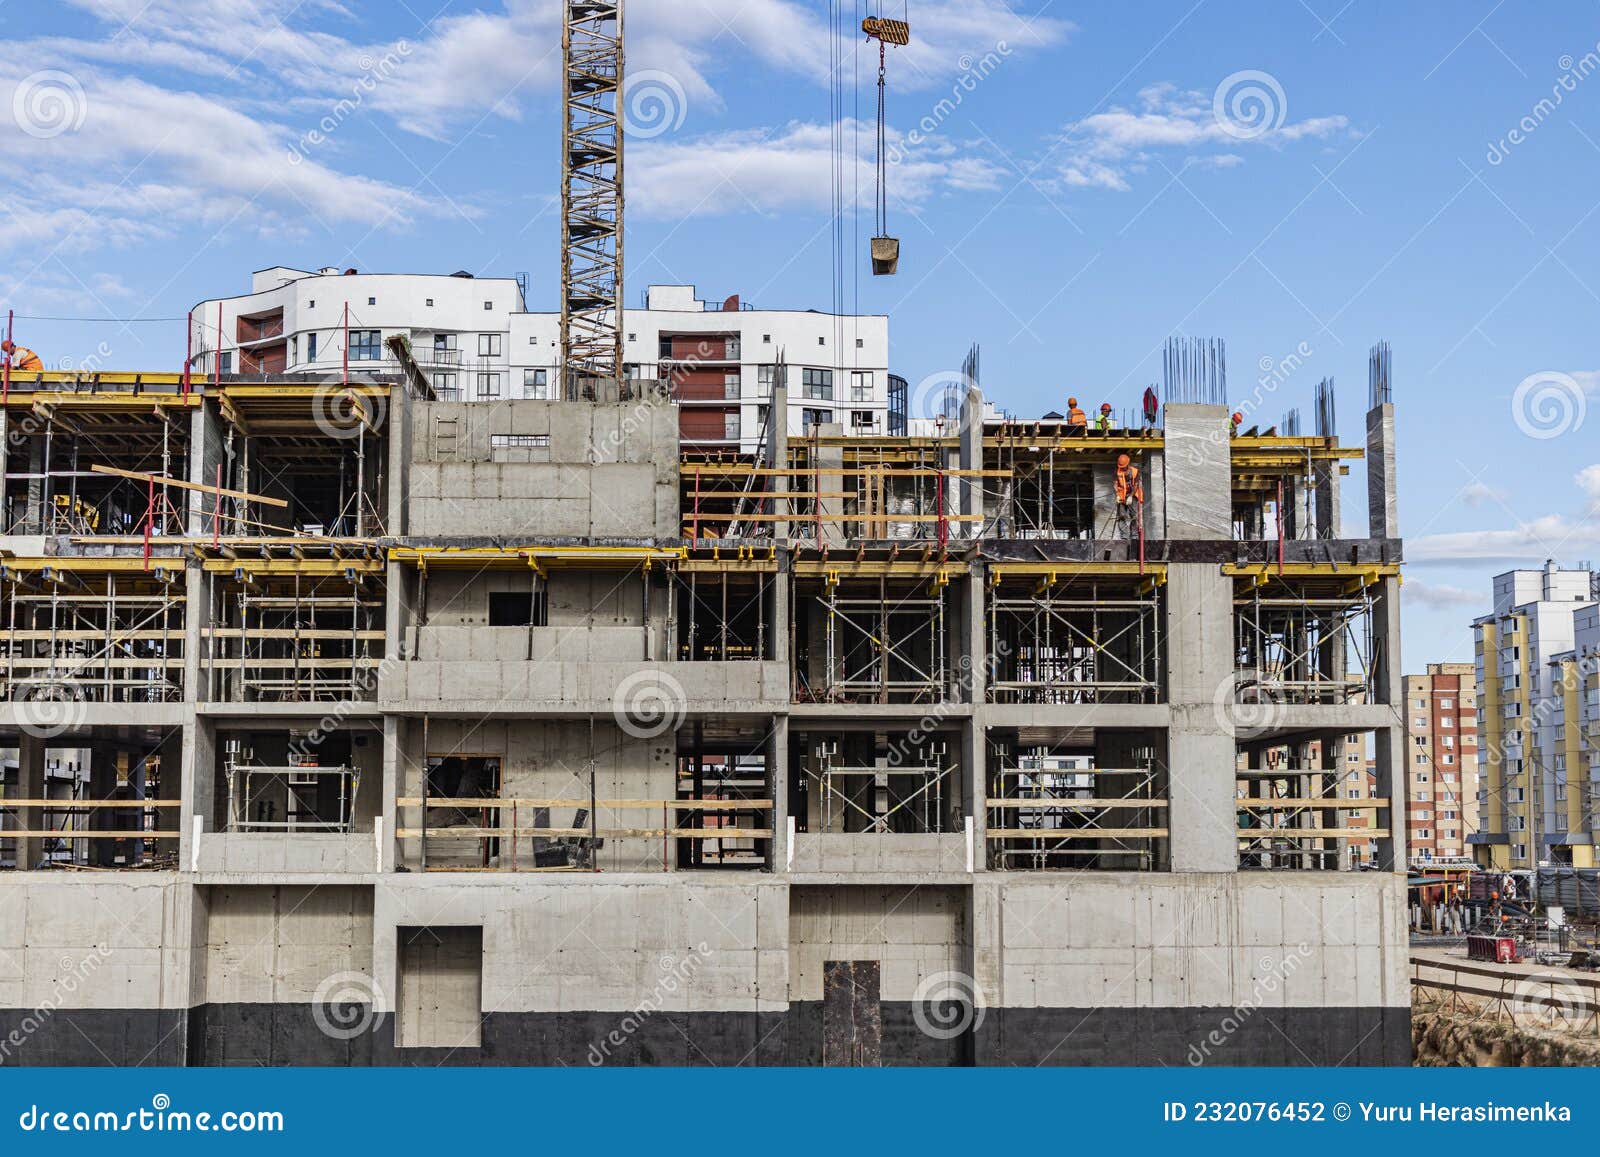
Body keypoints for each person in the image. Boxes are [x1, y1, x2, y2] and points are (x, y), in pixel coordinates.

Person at [1114, 452, 1143, 540]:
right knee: (1121, 516)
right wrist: (1117, 495)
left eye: (1123, 467)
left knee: (1134, 515)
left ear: (1128, 464)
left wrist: (1131, 496)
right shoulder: (1117, 471)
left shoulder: (1135, 471)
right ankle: (1124, 536)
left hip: (1133, 495)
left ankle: (1134, 536)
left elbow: (1136, 485)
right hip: (1122, 495)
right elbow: (1115, 484)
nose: (1122, 468)